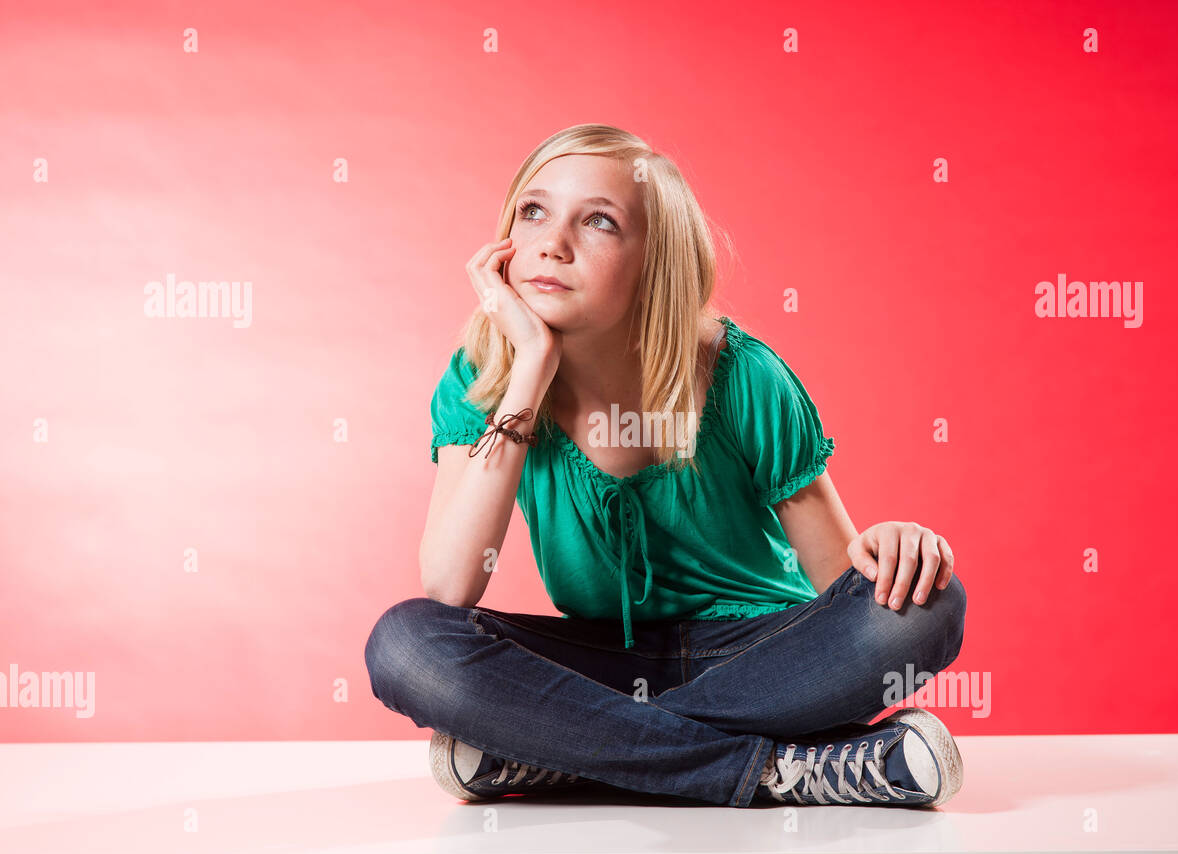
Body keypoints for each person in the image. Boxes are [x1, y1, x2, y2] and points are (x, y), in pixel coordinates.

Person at [364, 123, 968, 808]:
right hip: (600, 667)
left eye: (598, 222)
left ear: (656, 260)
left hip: (761, 660)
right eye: (533, 211)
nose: (550, 244)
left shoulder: (744, 375)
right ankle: (785, 770)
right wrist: (529, 370)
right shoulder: (483, 378)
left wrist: (893, 552)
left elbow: (841, 586)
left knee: (930, 605)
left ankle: (570, 752)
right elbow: (449, 585)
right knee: (407, 643)